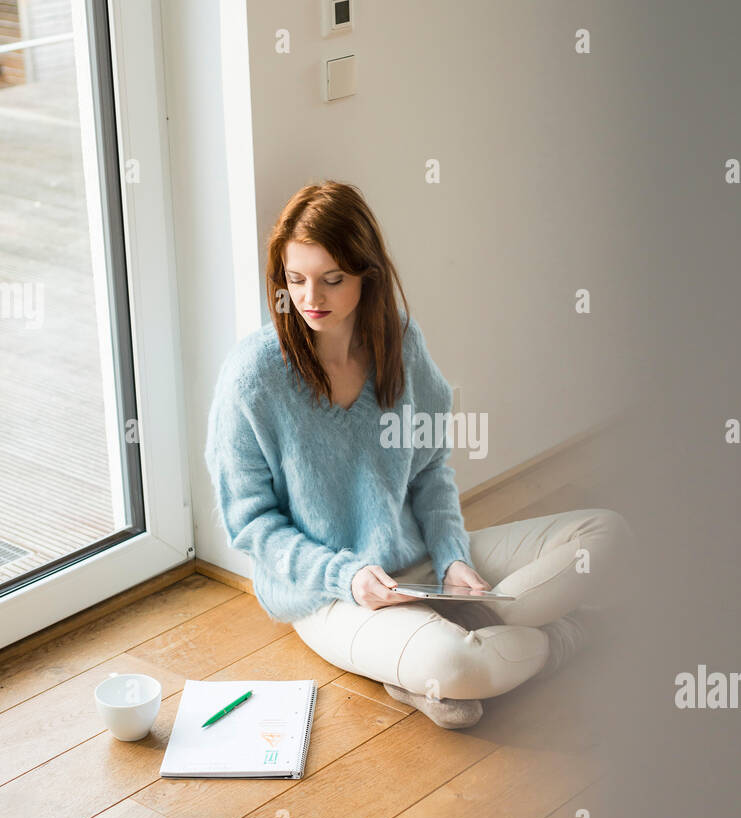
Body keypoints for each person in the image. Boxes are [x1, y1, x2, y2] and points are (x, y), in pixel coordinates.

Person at [205, 181, 633, 730]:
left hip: (420, 564)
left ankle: (470, 628)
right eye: (296, 280)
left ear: (367, 275)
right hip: (331, 595)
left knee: (608, 534)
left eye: (333, 279)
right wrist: (346, 575)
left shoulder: (402, 344)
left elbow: (430, 470)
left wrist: (454, 557)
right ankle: (562, 633)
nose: (311, 298)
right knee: (455, 666)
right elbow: (251, 525)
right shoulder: (253, 378)